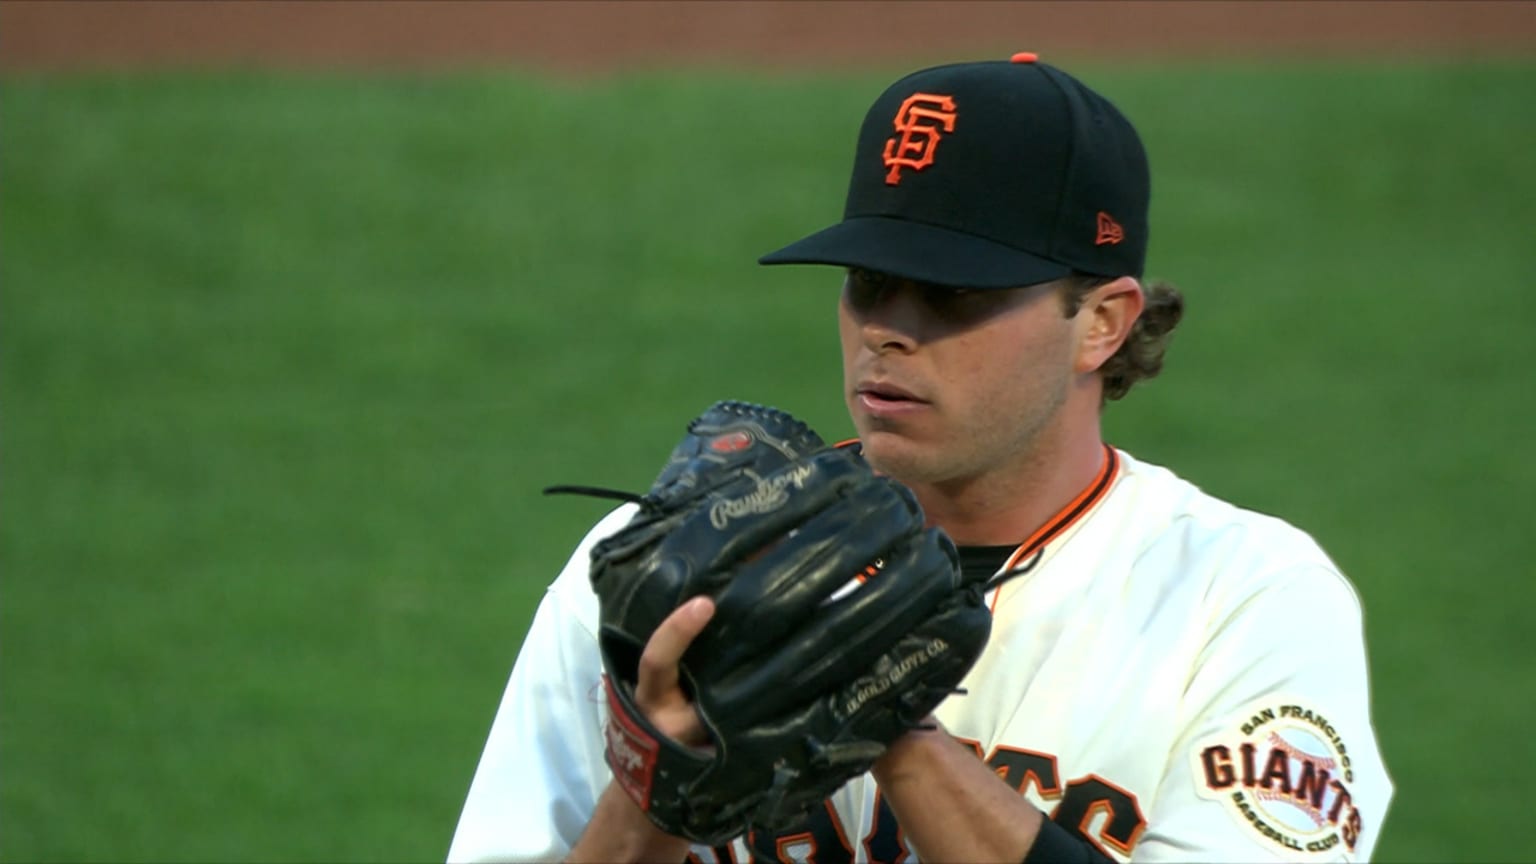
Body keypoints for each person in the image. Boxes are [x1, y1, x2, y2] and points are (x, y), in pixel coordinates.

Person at [448, 53, 1393, 863]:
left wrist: (886, 722)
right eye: (869, 284)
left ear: (1102, 323)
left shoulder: (1243, 599)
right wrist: (656, 777)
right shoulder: (665, 567)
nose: (887, 334)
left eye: (953, 295)